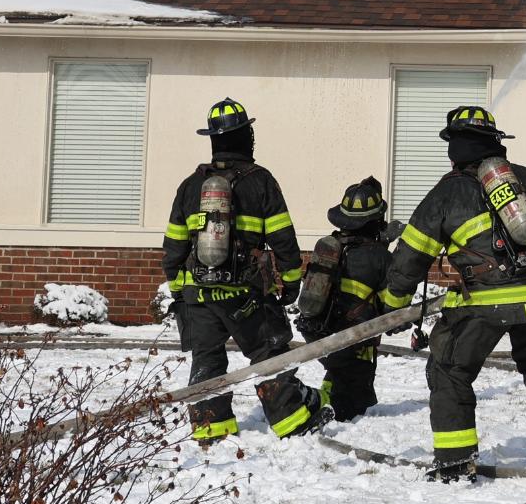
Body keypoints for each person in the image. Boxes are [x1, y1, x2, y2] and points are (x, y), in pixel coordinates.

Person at [378, 106, 526, 483]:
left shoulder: (446, 193)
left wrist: (391, 305)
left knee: (449, 369)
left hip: (487, 300)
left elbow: (410, 257)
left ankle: (455, 463)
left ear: (454, 148)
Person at [160, 98, 326, 443]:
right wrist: (291, 282)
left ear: (213, 139)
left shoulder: (191, 186)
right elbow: (283, 238)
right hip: (244, 293)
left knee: (206, 359)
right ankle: (292, 421)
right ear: (245, 137)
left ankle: (210, 430)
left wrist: (179, 289)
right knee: (269, 353)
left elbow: (174, 245)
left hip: (199, 294)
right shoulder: (260, 181)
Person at [292, 176, 395, 421]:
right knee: (350, 408)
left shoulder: (333, 245)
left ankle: (326, 393)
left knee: (350, 385)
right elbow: (392, 305)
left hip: (318, 331)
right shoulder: (380, 257)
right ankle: (306, 400)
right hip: (353, 341)